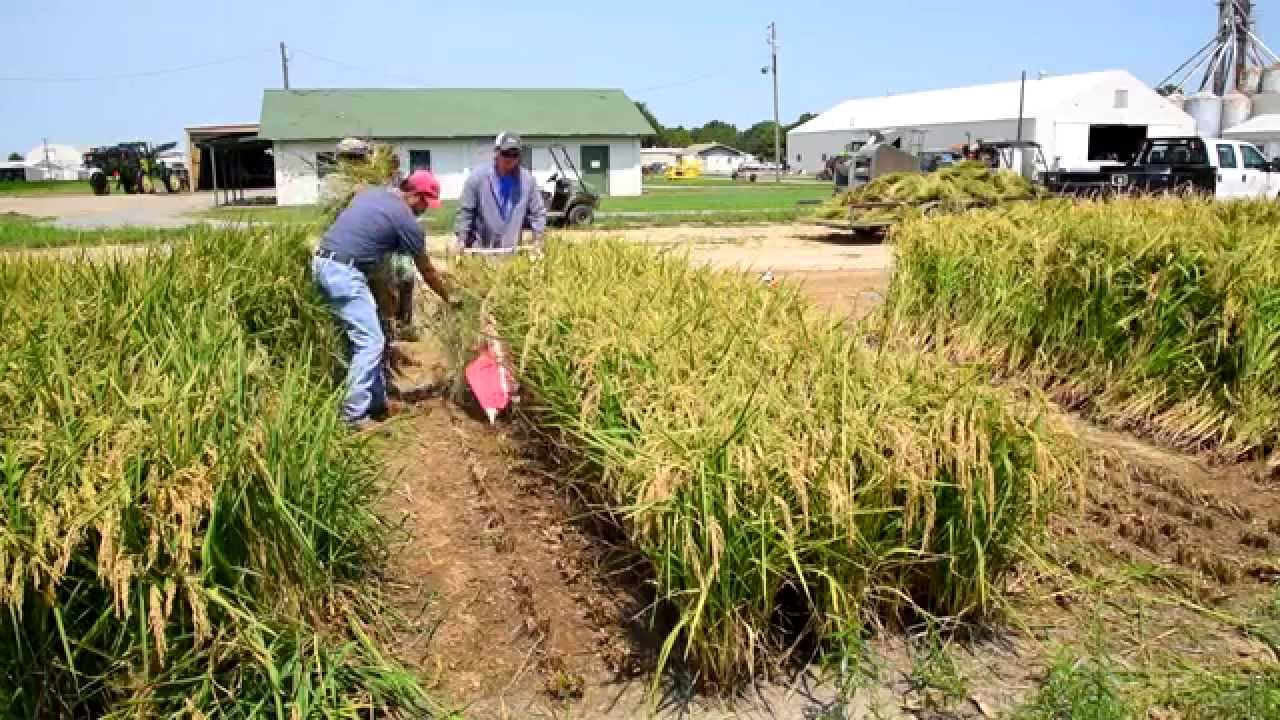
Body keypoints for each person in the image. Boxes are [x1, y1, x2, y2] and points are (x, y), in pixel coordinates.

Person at [312, 170, 452, 429]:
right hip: (344, 273)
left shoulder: (374, 194)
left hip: (326, 264)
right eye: (425, 203)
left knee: (367, 338)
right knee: (371, 341)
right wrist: (448, 297)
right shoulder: (406, 220)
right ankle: (353, 416)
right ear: (415, 195)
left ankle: (376, 403)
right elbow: (427, 270)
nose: (425, 209)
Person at [455, 132, 547, 251]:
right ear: (496, 152)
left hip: (511, 250)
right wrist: (461, 239)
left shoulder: (528, 181)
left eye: (515, 155)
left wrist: (538, 238)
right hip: (480, 251)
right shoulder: (477, 178)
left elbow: (537, 213)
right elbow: (465, 212)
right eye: (506, 153)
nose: (510, 158)